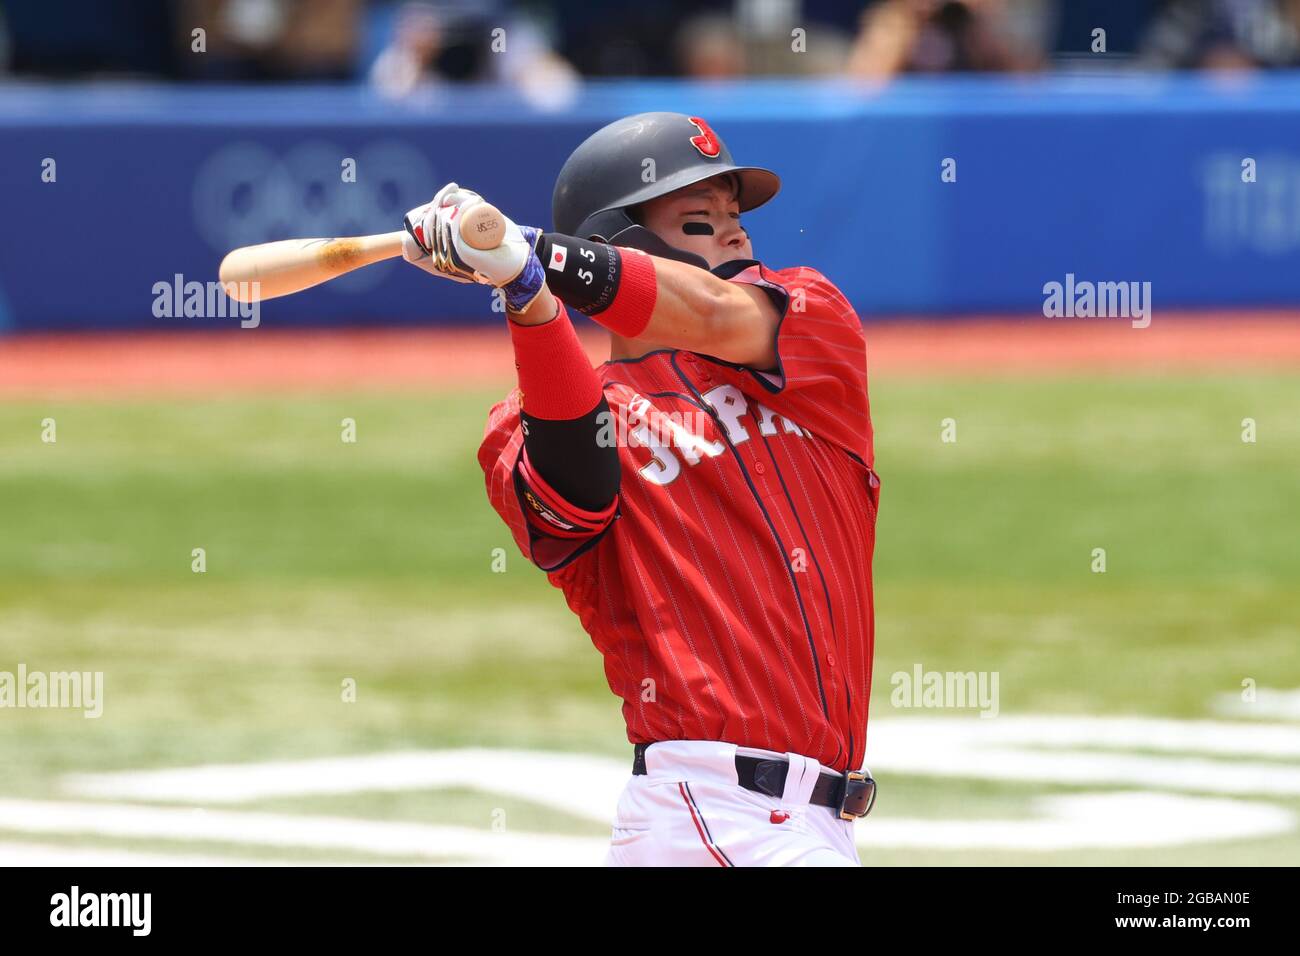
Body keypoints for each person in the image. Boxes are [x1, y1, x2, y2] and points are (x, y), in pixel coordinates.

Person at [401, 112, 879, 866]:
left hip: (808, 826)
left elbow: (713, 313)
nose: (735, 235)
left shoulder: (816, 331)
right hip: (707, 812)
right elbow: (574, 491)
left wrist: (527, 252)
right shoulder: (537, 422)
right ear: (620, 245)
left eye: (735, 218)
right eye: (699, 219)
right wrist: (527, 291)